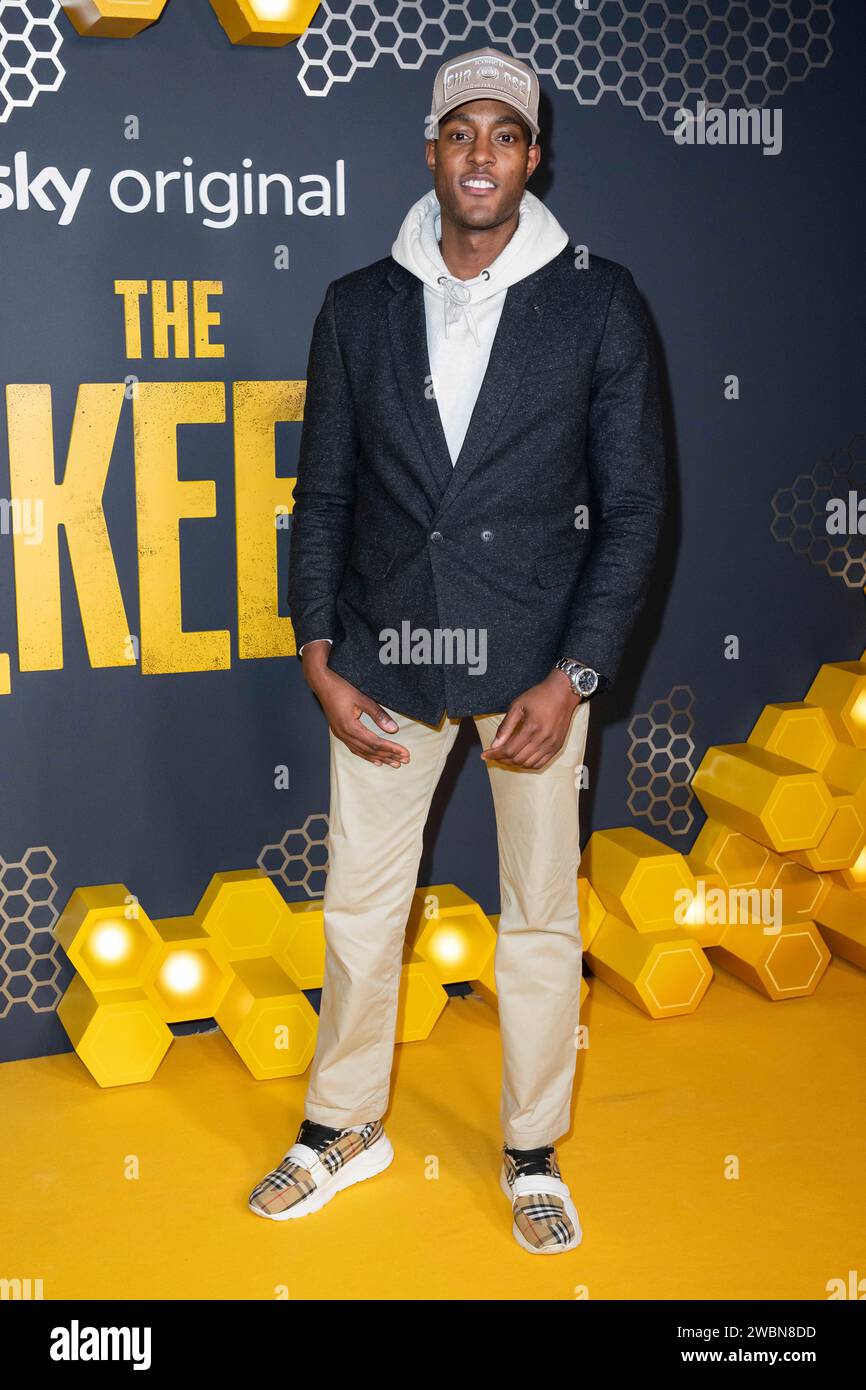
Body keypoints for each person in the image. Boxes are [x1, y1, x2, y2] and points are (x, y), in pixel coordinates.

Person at [248, 46, 666, 1255]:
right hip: (383, 655)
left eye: (503, 135)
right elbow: (320, 495)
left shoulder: (597, 298)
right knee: (359, 909)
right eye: (457, 133)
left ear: (531, 159)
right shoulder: (356, 302)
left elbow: (633, 509)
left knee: (538, 915)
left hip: (538, 667)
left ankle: (531, 1144)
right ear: (428, 151)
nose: (478, 154)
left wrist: (576, 672)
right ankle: (341, 1125)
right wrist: (318, 648)